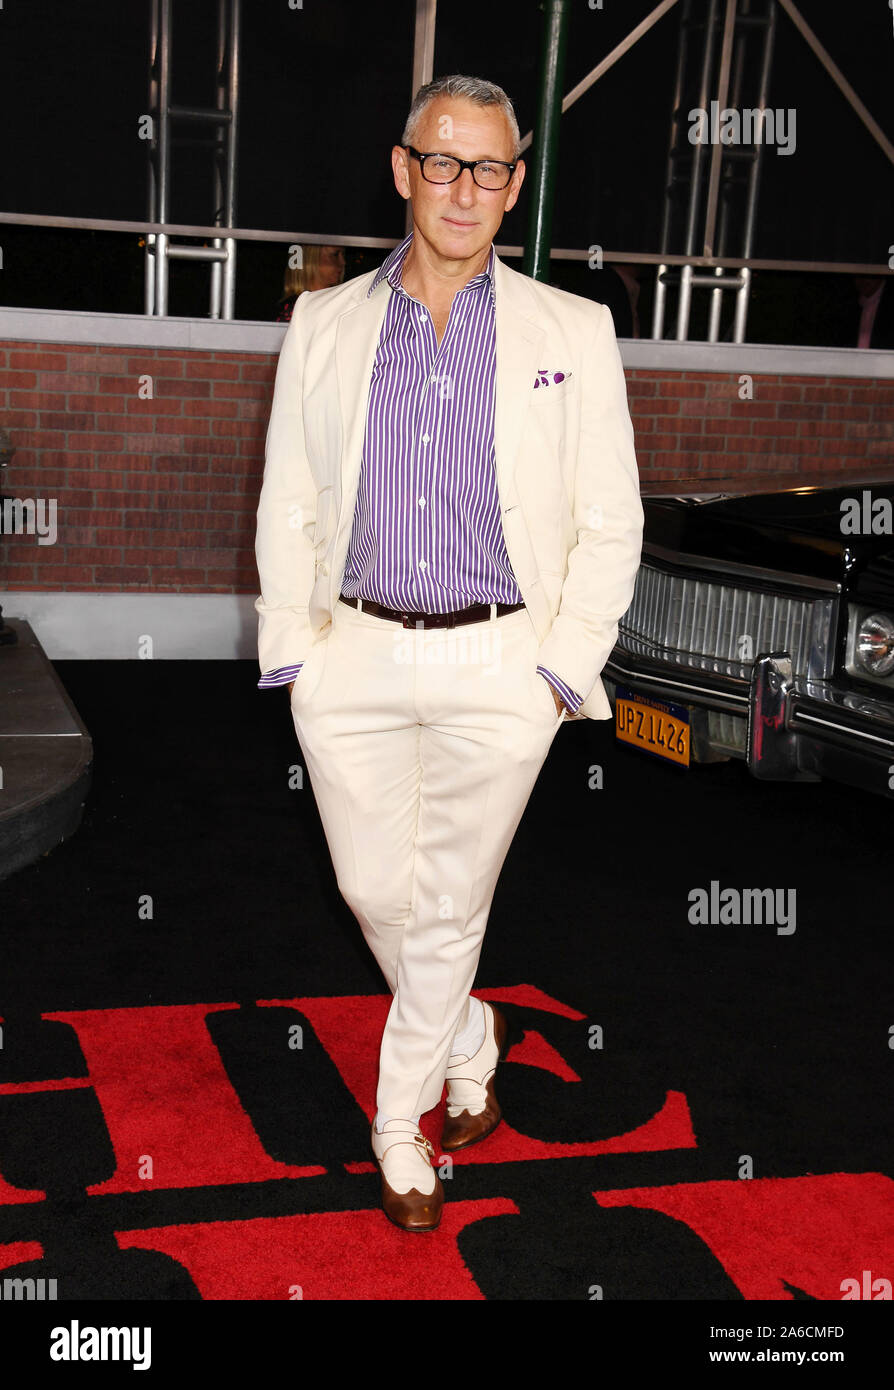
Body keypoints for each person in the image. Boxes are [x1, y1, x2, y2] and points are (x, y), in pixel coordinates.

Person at [254, 73, 643, 1232]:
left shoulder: (574, 331)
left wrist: (560, 671)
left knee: (450, 904)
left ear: (515, 185)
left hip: (503, 666)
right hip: (353, 657)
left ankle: (396, 1120)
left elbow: (609, 519)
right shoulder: (324, 322)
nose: (463, 188)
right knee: (375, 888)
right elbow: (291, 499)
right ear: (402, 168)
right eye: (442, 161)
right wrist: (297, 653)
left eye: (489, 168)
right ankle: (471, 1032)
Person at [273, 244, 346, 321]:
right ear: (310, 258)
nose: (343, 262)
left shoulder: (342, 304)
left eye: (343, 255)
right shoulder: (295, 310)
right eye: (335, 254)